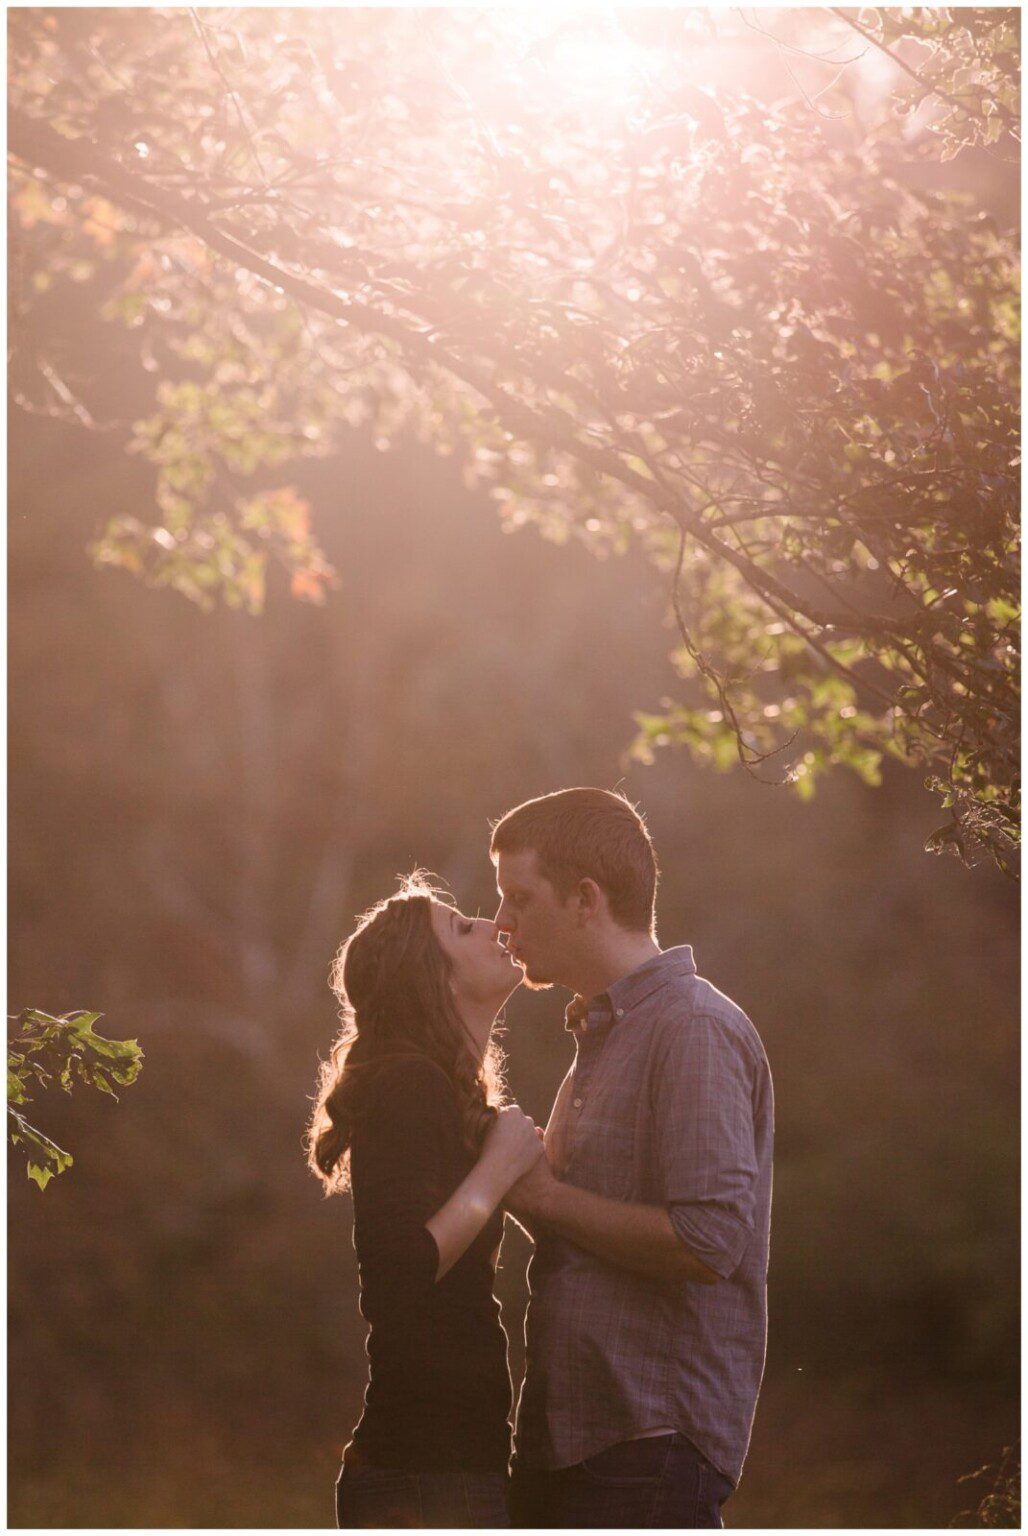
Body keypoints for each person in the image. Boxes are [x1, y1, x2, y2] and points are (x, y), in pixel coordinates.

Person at [491, 788, 774, 1530]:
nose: (501, 925)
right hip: (574, 1438)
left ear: (585, 899)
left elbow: (710, 1240)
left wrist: (542, 1196)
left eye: (519, 899)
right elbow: (585, 1239)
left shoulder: (692, 1028)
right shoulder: (607, 1036)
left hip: (646, 1447)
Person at [307, 872, 542, 1529]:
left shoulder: (441, 1088)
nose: (493, 925)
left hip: (451, 1467)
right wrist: (496, 1171)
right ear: (430, 979)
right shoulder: (410, 1085)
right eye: (462, 927)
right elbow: (398, 1275)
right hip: (423, 1478)